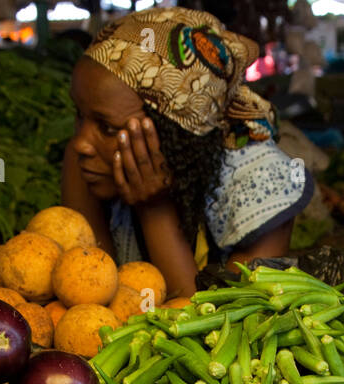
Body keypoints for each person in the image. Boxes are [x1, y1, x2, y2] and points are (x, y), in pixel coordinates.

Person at [62, 8, 312, 300]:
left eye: (106, 127)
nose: (81, 143)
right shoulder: (85, 159)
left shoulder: (264, 184)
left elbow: (214, 320)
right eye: (80, 115)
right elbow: (87, 286)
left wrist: (154, 211)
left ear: (176, 133)